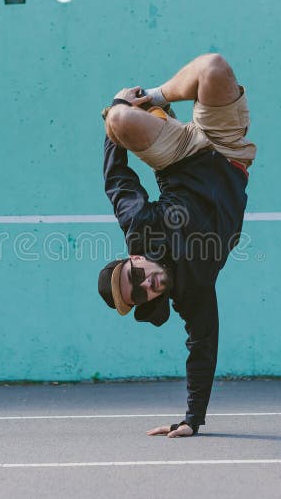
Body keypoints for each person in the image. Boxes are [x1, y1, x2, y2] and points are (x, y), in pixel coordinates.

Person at [97, 54, 257, 438]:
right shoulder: (191, 290)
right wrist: (191, 419)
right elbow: (202, 348)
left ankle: (153, 101)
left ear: (134, 259)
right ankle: (159, 112)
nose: (145, 285)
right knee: (215, 70)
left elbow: (115, 179)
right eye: (139, 295)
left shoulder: (139, 228)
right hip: (228, 152)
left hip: (181, 155)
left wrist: (116, 112)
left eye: (135, 278)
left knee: (118, 121)